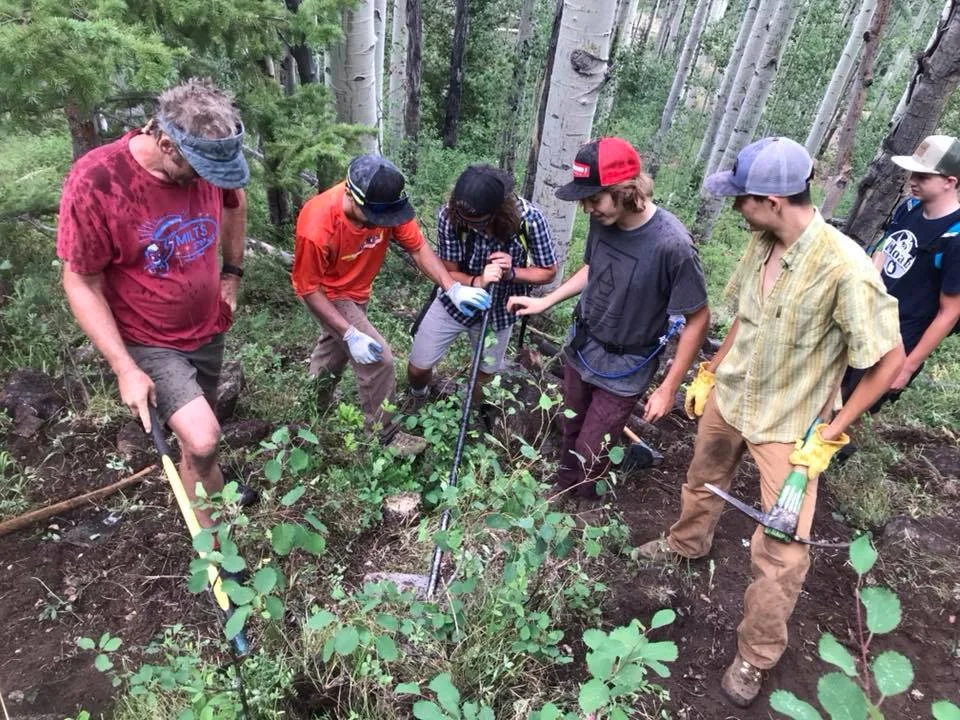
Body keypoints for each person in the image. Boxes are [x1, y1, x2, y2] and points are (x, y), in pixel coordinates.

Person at [635, 137, 905, 707]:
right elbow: (744, 320)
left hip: (790, 425)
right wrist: (709, 371)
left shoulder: (845, 268)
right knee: (702, 478)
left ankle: (755, 656)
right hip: (733, 398)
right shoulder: (761, 242)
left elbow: (889, 364)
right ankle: (687, 543)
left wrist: (830, 435)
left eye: (744, 200)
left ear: (775, 199)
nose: (738, 210)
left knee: (782, 549)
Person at [57, 79, 251, 528]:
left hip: (206, 327)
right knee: (204, 440)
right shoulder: (98, 180)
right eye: (200, 170)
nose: (207, 181)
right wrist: (126, 368)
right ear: (166, 143)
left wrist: (232, 275)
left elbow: (234, 202)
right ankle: (217, 552)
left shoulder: (208, 167)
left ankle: (208, 503)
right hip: (148, 337)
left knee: (196, 444)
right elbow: (81, 282)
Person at [508, 137, 710, 500]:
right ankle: (560, 490)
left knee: (592, 448)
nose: (587, 209)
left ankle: (583, 505)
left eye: (594, 198)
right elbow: (593, 267)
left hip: (627, 362)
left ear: (627, 190)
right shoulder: (604, 219)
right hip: (584, 345)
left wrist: (668, 389)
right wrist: (546, 301)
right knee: (570, 425)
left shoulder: (673, 245)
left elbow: (698, 319)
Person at [291, 155, 491, 452]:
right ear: (351, 195)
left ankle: (309, 410)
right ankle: (383, 436)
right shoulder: (318, 225)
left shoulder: (387, 204)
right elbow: (308, 289)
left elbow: (418, 248)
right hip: (328, 293)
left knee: (334, 351)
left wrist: (452, 288)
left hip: (358, 290)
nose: (383, 225)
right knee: (377, 358)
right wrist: (349, 332)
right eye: (376, 218)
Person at [406, 165, 557, 408]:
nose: (474, 227)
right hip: (454, 300)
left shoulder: (529, 219)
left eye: (480, 222)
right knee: (418, 366)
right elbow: (448, 272)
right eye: (468, 222)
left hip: (500, 308)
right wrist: (477, 281)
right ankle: (418, 396)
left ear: (499, 210)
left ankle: (470, 409)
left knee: (486, 372)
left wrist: (512, 273)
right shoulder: (450, 216)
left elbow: (548, 271)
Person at [841, 135, 960, 413]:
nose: (913, 180)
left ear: (950, 182)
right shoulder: (908, 208)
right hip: (862, 319)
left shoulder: (954, 237)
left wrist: (908, 364)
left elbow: (950, 312)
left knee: (846, 409)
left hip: (895, 340)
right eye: (913, 173)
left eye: (923, 175)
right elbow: (882, 253)